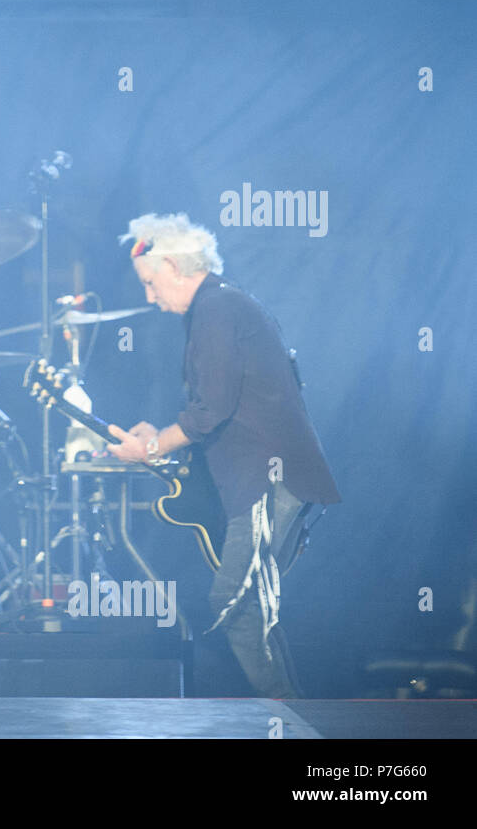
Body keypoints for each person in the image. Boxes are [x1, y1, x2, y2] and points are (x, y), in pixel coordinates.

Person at [106, 212, 340, 699]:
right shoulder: (223, 305)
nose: (151, 297)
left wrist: (149, 447)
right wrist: (162, 433)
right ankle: (295, 719)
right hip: (271, 480)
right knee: (253, 606)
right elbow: (218, 403)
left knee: (235, 605)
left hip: (267, 482)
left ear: (172, 265)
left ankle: (291, 721)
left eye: (151, 283)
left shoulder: (216, 309)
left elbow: (210, 410)